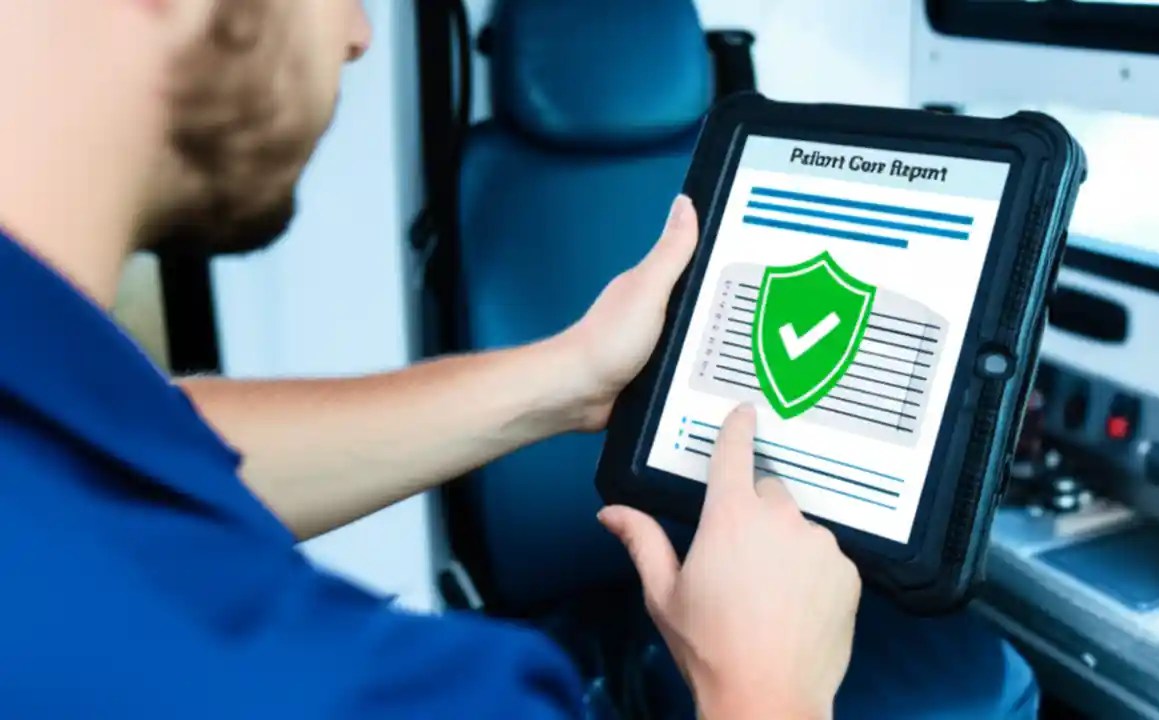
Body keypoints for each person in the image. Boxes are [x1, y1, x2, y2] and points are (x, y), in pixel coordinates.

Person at [0, 2, 862, 718]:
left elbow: (137, 453)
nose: (358, 32)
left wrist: (571, 375)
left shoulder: (45, 429)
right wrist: (765, 687)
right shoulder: (382, 693)